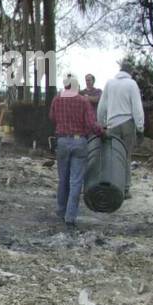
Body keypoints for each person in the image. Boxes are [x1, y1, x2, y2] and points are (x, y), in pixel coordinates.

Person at [50, 74, 105, 228]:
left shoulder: (57, 99)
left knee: (63, 179)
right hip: (79, 141)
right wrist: (102, 133)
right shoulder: (83, 101)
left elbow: (52, 117)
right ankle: (70, 216)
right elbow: (91, 123)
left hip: (62, 141)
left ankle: (61, 210)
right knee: (76, 181)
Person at [98, 68, 145, 198]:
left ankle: (113, 185)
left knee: (113, 156)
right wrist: (140, 127)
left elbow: (102, 105)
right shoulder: (132, 84)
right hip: (127, 123)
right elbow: (137, 107)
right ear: (129, 73)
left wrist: (101, 123)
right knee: (126, 156)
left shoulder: (109, 83)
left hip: (112, 124)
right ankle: (125, 188)